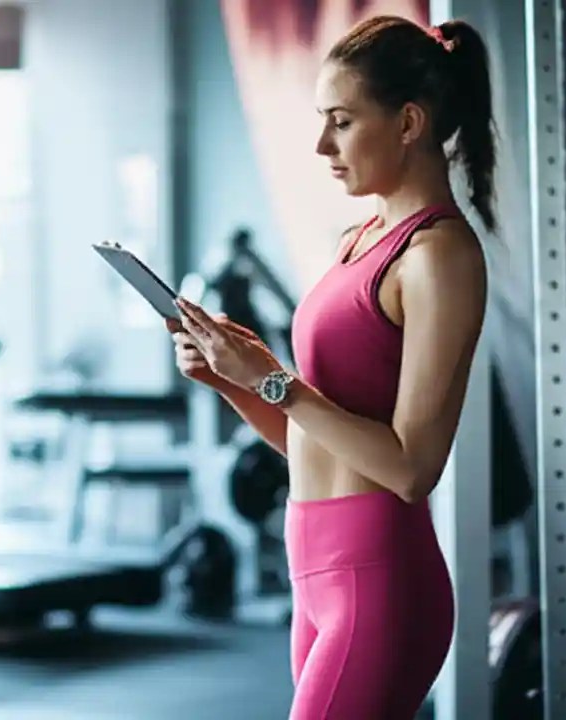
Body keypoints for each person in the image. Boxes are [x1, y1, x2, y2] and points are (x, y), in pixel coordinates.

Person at [167, 14, 495, 720]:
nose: (322, 145)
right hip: (313, 568)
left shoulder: (439, 257)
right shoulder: (360, 240)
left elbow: (411, 468)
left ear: (409, 122)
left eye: (341, 122)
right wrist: (229, 377)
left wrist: (269, 378)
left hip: (378, 577)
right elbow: (310, 440)